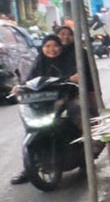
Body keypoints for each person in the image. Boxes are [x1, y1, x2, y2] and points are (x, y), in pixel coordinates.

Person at [10, 34, 79, 184]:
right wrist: (19, 87)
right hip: (44, 102)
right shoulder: (39, 62)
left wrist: (72, 79)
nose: (51, 49)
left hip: (66, 98)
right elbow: (29, 81)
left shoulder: (69, 60)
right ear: (42, 48)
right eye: (47, 46)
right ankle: (29, 168)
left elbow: (77, 77)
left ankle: (84, 150)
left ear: (61, 47)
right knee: (31, 128)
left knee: (76, 114)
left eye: (55, 46)